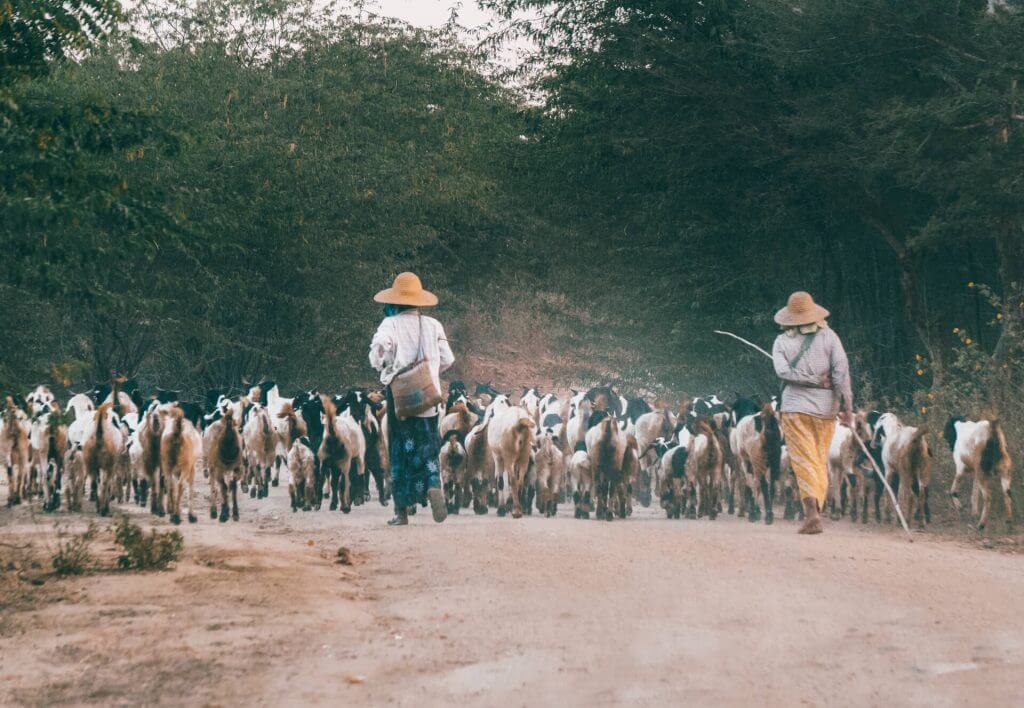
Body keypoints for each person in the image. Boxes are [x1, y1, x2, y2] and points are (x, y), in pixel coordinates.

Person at [369, 272, 454, 526]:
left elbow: (378, 352)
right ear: (418, 301)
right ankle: (432, 484)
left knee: (400, 451)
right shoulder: (434, 325)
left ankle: (402, 512)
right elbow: (448, 358)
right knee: (428, 446)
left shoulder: (390, 324)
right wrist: (428, 373)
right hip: (429, 396)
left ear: (395, 301)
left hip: (401, 398)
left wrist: (383, 367)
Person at [772, 291, 853, 535]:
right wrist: (847, 406)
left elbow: (783, 372)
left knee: (803, 460)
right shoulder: (830, 337)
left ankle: (811, 513)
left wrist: (808, 380)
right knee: (818, 459)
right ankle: (815, 510)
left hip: (794, 408)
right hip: (826, 409)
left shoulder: (781, 342)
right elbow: (841, 373)